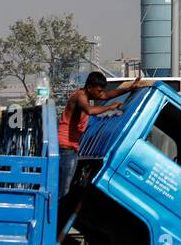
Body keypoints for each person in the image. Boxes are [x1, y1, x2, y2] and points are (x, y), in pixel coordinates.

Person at [57, 72, 150, 201]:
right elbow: (89, 110)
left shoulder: (86, 94)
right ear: (89, 87)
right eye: (98, 90)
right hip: (65, 148)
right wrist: (109, 107)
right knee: (64, 191)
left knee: (65, 190)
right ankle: (57, 219)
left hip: (69, 148)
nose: (101, 94)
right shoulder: (80, 97)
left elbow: (106, 95)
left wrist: (128, 89)